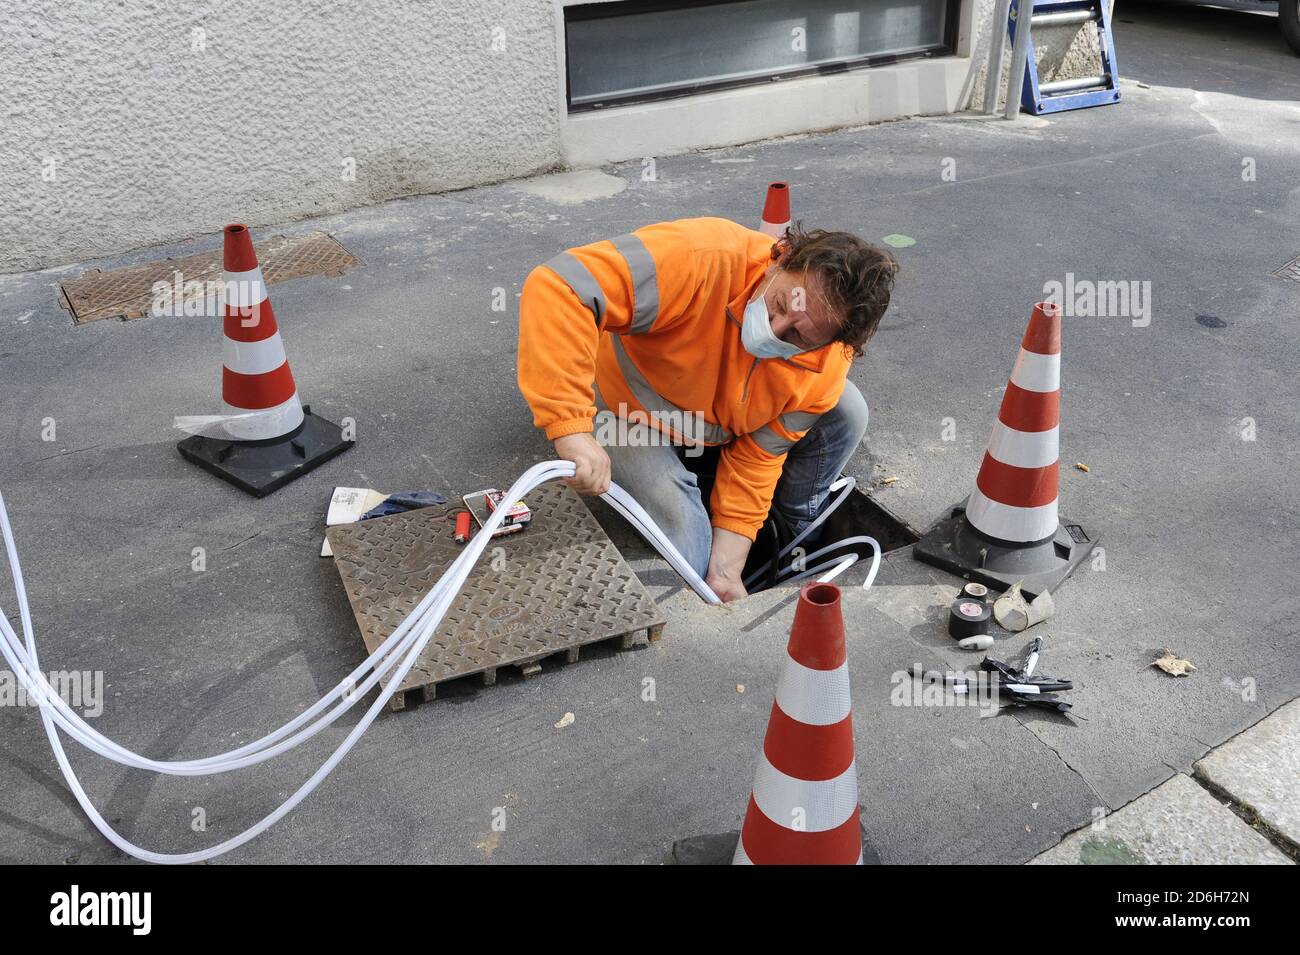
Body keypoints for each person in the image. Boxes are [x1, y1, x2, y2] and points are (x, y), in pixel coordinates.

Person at [517, 216, 896, 602]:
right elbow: (561, 285)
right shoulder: (701, 258)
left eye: (798, 337)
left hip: (714, 426)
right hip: (623, 410)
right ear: (781, 257)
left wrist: (727, 571)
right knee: (687, 555)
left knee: (846, 409)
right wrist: (570, 428)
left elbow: (758, 458)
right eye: (779, 303)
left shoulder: (825, 365)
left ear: (829, 344)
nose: (774, 328)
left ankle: (795, 533)